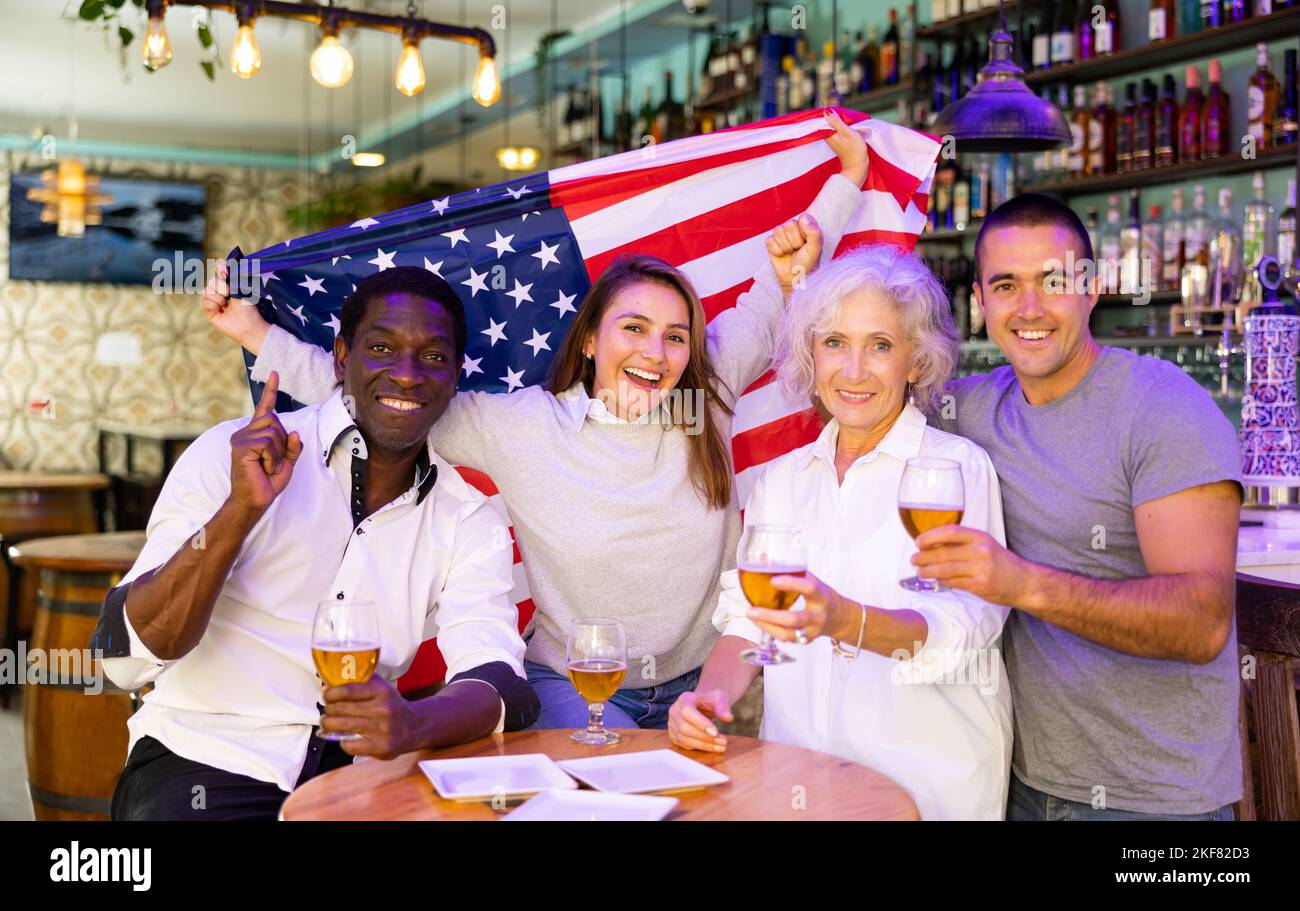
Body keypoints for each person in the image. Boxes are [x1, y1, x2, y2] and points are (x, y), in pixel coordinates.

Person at [199, 112, 871, 731]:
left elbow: (772, 290)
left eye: (674, 336)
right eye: (632, 328)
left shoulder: (709, 392)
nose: (654, 352)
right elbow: (382, 395)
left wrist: (847, 182)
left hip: (710, 681)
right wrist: (256, 332)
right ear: (589, 341)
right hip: (574, 685)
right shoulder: (523, 426)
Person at [94, 268, 539, 821]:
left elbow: (500, 680)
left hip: (357, 776)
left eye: (432, 357)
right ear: (339, 357)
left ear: (453, 377)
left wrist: (409, 724)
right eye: (381, 347)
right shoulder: (225, 456)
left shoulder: (467, 514)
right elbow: (124, 660)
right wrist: (241, 510)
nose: (406, 375)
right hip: (201, 763)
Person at [917, 193, 1243, 820]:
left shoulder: (1163, 408)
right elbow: (859, 387)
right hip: (1018, 784)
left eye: (1054, 281)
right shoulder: (967, 410)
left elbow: (1202, 622)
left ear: (1092, 288)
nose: (1031, 308)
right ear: (980, 304)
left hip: (1153, 804)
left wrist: (1022, 584)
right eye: (1007, 285)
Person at [667, 245, 1013, 820]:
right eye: (834, 344)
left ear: (916, 362)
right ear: (811, 355)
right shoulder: (783, 480)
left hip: (931, 792)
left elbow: (967, 631)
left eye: (880, 345)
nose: (853, 371)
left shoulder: (957, 470)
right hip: (801, 785)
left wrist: (846, 621)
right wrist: (710, 699)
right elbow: (750, 615)